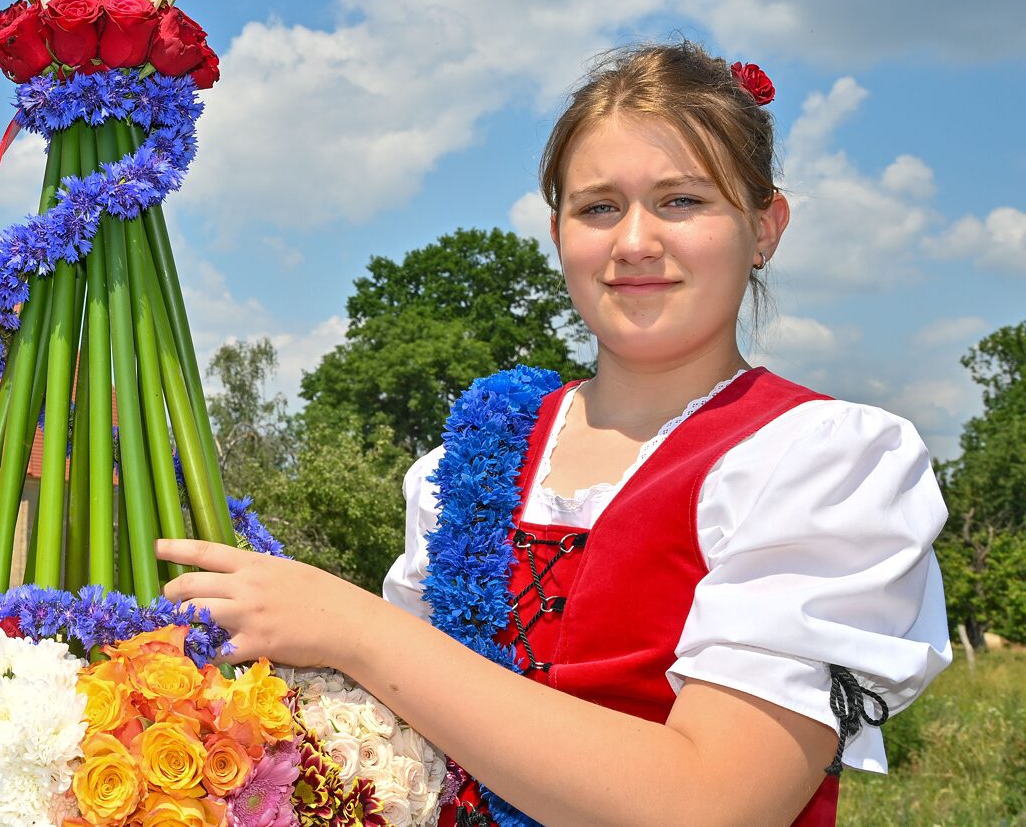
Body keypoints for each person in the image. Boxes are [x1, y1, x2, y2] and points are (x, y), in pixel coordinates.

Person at [160, 41, 950, 826]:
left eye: (682, 200)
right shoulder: (474, 455)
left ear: (765, 226)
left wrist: (353, 629)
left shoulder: (819, 462)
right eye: (599, 207)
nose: (635, 241)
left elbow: (716, 802)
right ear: (558, 230)